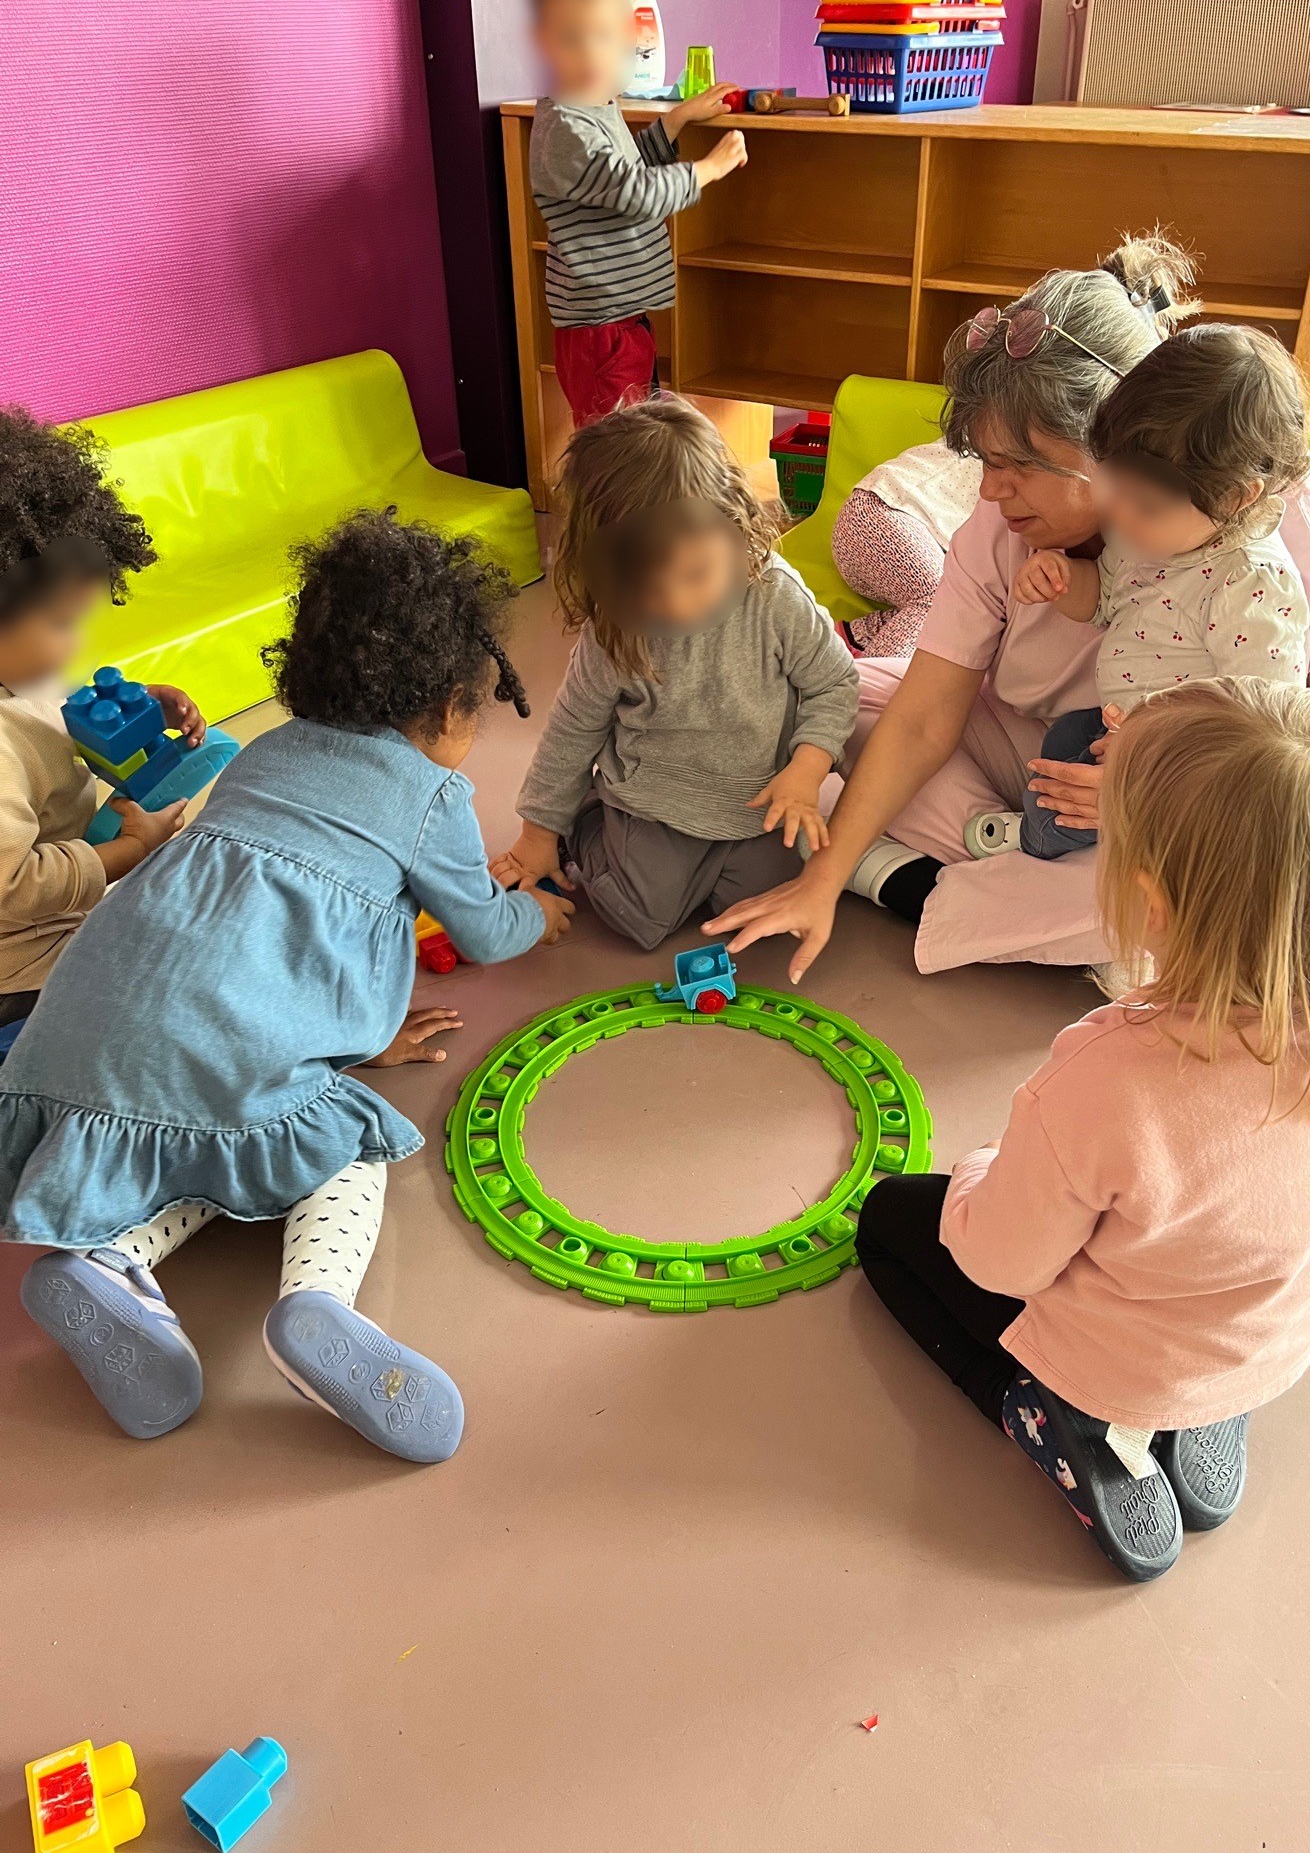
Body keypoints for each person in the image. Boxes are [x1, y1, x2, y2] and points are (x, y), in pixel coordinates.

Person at [4, 512, 573, 1463]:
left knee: (187, 1128)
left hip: (85, 1011)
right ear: (443, 711)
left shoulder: (262, 750)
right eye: (478, 710)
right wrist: (538, 918)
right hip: (217, 1046)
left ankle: (109, 1258)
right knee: (341, 1147)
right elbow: (477, 925)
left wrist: (342, 1030)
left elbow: (249, 939)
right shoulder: (432, 795)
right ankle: (314, 1303)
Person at [700, 235, 1310, 981]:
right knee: (820, 709)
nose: (988, 493)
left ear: (1111, 440)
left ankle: (919, 881)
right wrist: (818, 881)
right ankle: (966, 871)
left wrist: (1157, 796)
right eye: (984, 464)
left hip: (1181, 788)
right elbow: (925, 712)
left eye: (1017, 469)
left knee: (1227, 889)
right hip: (1042, 757)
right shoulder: (1013, 525)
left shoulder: (1256, 505)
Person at [857, 679, 1310, 1581]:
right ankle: (1202, 1411)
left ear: (1151, 903)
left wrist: (979, 1171)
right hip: (1263, 1342)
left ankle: (1060, 1426)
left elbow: (999, 1264)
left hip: (1115, 1365)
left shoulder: (1109, 1072)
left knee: (893, 1220)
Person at [491, 398, 858, 949]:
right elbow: (573, 730)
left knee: (764, 910)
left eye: (696, 573)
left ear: (737, 523)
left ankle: (695, 873)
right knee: (638, 920)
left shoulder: (776, 597)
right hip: (652, 802)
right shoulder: (615, 626)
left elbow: (834, 683)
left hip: (753, 806)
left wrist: (807, 768)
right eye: (651, 590)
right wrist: (538, 834)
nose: (680, 605)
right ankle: (588, 822)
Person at [982, 322, 1310, 860]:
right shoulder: (1151, 538)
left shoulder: (1250, 582)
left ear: (1234, 498)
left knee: (1047, 829)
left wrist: (1149, 775)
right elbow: (1104, 598)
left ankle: (1066, 841)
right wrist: (1060, 578)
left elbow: (1260, 733)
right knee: (1066, 740)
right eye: (1115, 488)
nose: (1121, 518)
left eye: (1147, 506)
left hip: (1192, 762)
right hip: (1124, 722)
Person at [0, 407, 201, 1024]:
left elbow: (52, 726)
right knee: (182, 988)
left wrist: (132, 709)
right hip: (24, 966)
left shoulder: (19, 672)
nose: (73, 647)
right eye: (61, 625)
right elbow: (10, 889)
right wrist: (127, 854)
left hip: (59, 905)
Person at [527, 0, 747, 428]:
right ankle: (607, 507)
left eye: (603, 36)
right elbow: (634, 193)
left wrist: (675, 121)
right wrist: (708, 169)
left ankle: (628, 503)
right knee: (615, 447)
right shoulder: (566, 128)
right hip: (599, 330)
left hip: (619, 319)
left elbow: (624, 171)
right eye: (570, 37)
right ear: (543, 39)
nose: (590, 54)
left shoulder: (594, 108)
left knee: (632, 439)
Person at [831, 438, 981, 659]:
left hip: (914, 542)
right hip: (878, 512)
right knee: (941, 601)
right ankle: (867, 691)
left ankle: (857, 638)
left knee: (977, 613)